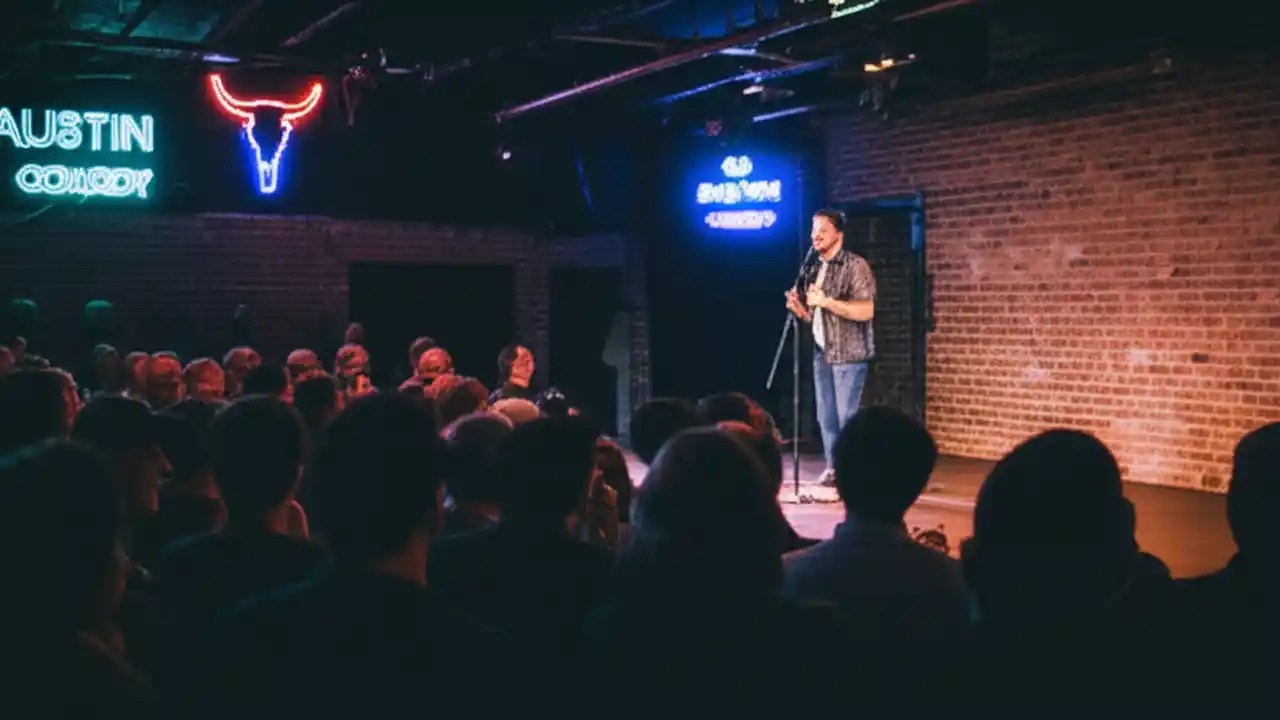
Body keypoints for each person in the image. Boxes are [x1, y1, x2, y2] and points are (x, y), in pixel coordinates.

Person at [784, 208, 876, 485]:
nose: (816, 236)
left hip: (849, 354)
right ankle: (834, 468)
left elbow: (865, 311)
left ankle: (854, 472)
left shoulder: (855, 266)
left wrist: (826, 302)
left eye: (822, 230)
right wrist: (801, 309)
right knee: (826, 416)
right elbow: (818, 317)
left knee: (847, 417)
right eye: (813, 230)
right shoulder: (815, 267)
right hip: (823, 351)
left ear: (838, 233)